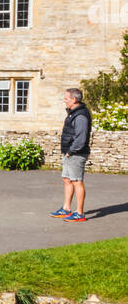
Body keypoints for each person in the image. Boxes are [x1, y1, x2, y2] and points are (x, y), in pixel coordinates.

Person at [51, 87, 92, 221]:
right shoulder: (73, 113)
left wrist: (70, 152)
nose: (64, 101)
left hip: (76, 154)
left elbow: (81, 138)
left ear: (74, 99)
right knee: (67, 180)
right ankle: (66, 209)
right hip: (69, 153)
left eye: (66, 98)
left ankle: (79, 213)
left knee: (77, 181)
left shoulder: (80, 115)